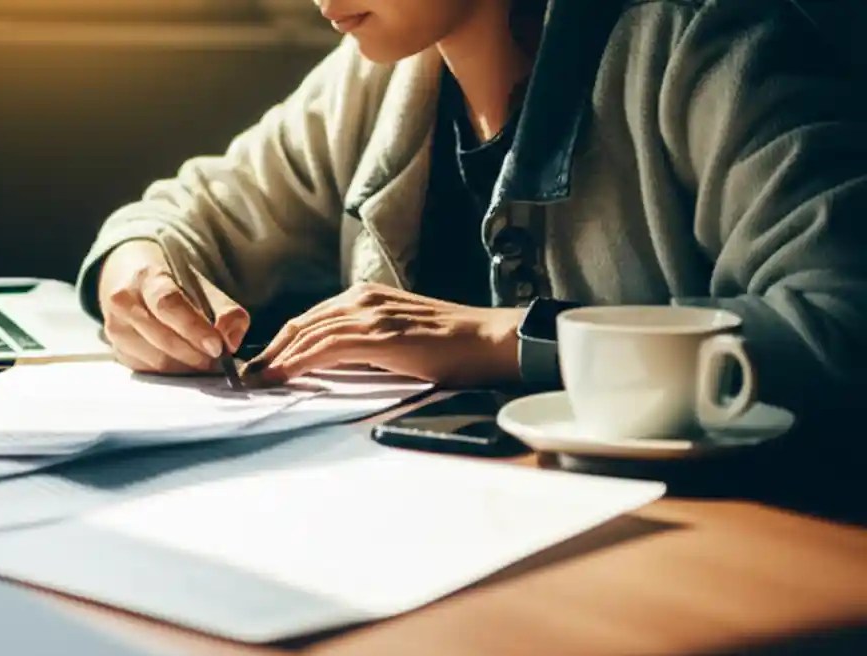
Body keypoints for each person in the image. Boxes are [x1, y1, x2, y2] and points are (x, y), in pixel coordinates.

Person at [75, 0, 867, 413]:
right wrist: (138, 272)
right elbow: (185, 213)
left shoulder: (703, 45)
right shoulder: (374, 75)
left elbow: (840, 321)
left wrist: (499, 339)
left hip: (702, 550)